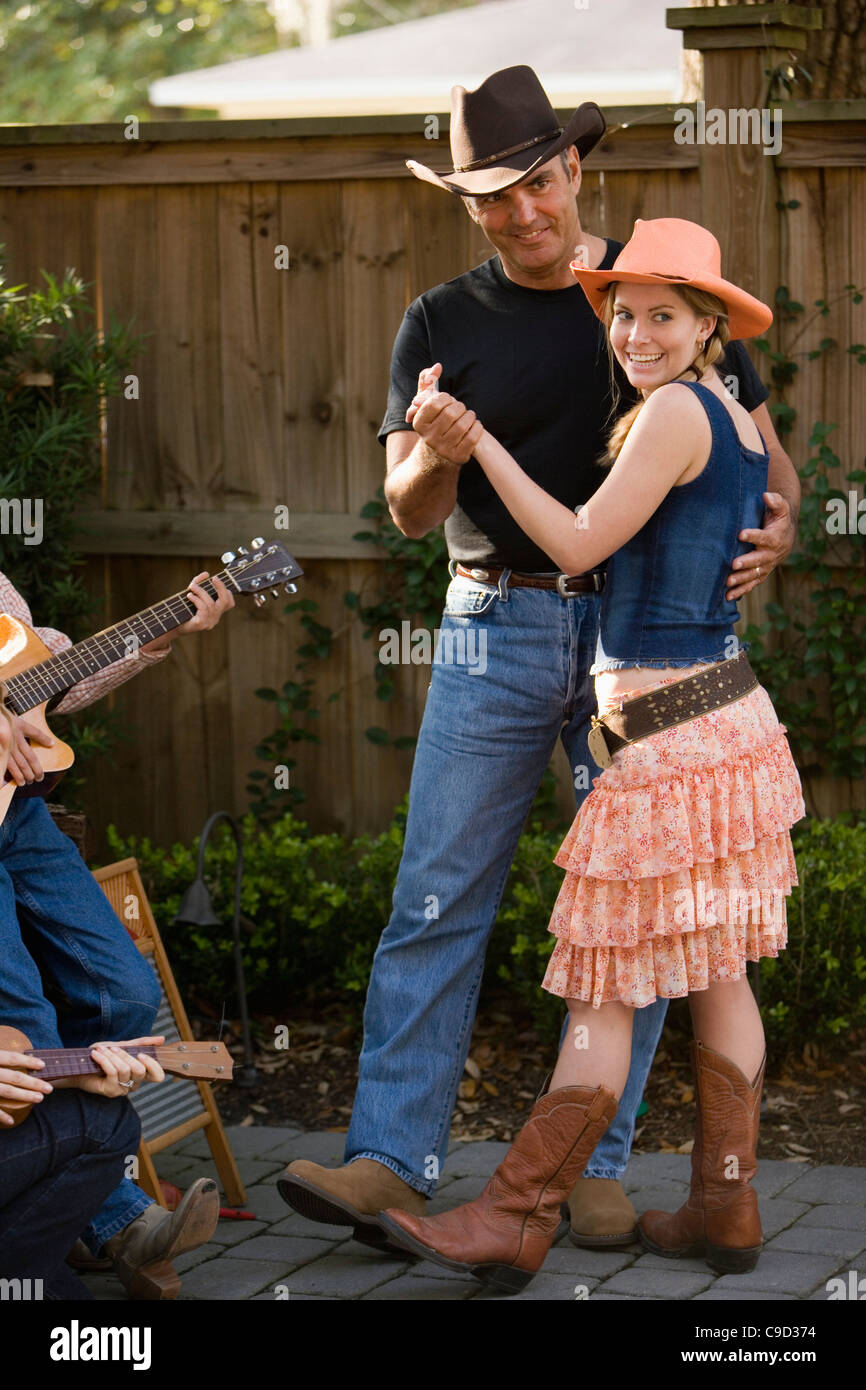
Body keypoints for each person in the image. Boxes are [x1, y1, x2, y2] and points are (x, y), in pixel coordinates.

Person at [278, 66, 801, 1253]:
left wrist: (778, 528)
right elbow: (406, 508)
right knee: (437, 893)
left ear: (574, 170)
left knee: (652, 917)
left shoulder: (654, 292)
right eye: (490, 199)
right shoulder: (438, 321)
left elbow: (765, 463)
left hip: (639, 645)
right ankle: (384, 1157)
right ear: (468, 207)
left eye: (535, 184)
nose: (519, 213)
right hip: (497, 624)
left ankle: (590, 1173)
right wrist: (443, 449)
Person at [377, 217, 806, 1292]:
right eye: (621, 313)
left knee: (602, 986)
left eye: (662, 313)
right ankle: (725, 1199)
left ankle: (513, 1213)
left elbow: (571, 540)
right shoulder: (734, 423)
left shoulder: (668, 411)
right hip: (724, 723)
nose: (635, 332)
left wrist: (474, 447)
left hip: (665, 746)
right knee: (714, 972)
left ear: (708, 324)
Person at [0, 565, 233, 1297]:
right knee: (25, 1031)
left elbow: (52, 676)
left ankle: (74, 1199)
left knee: (125, 996)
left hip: (19, 809)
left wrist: (158, 634)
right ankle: (113, 1219)